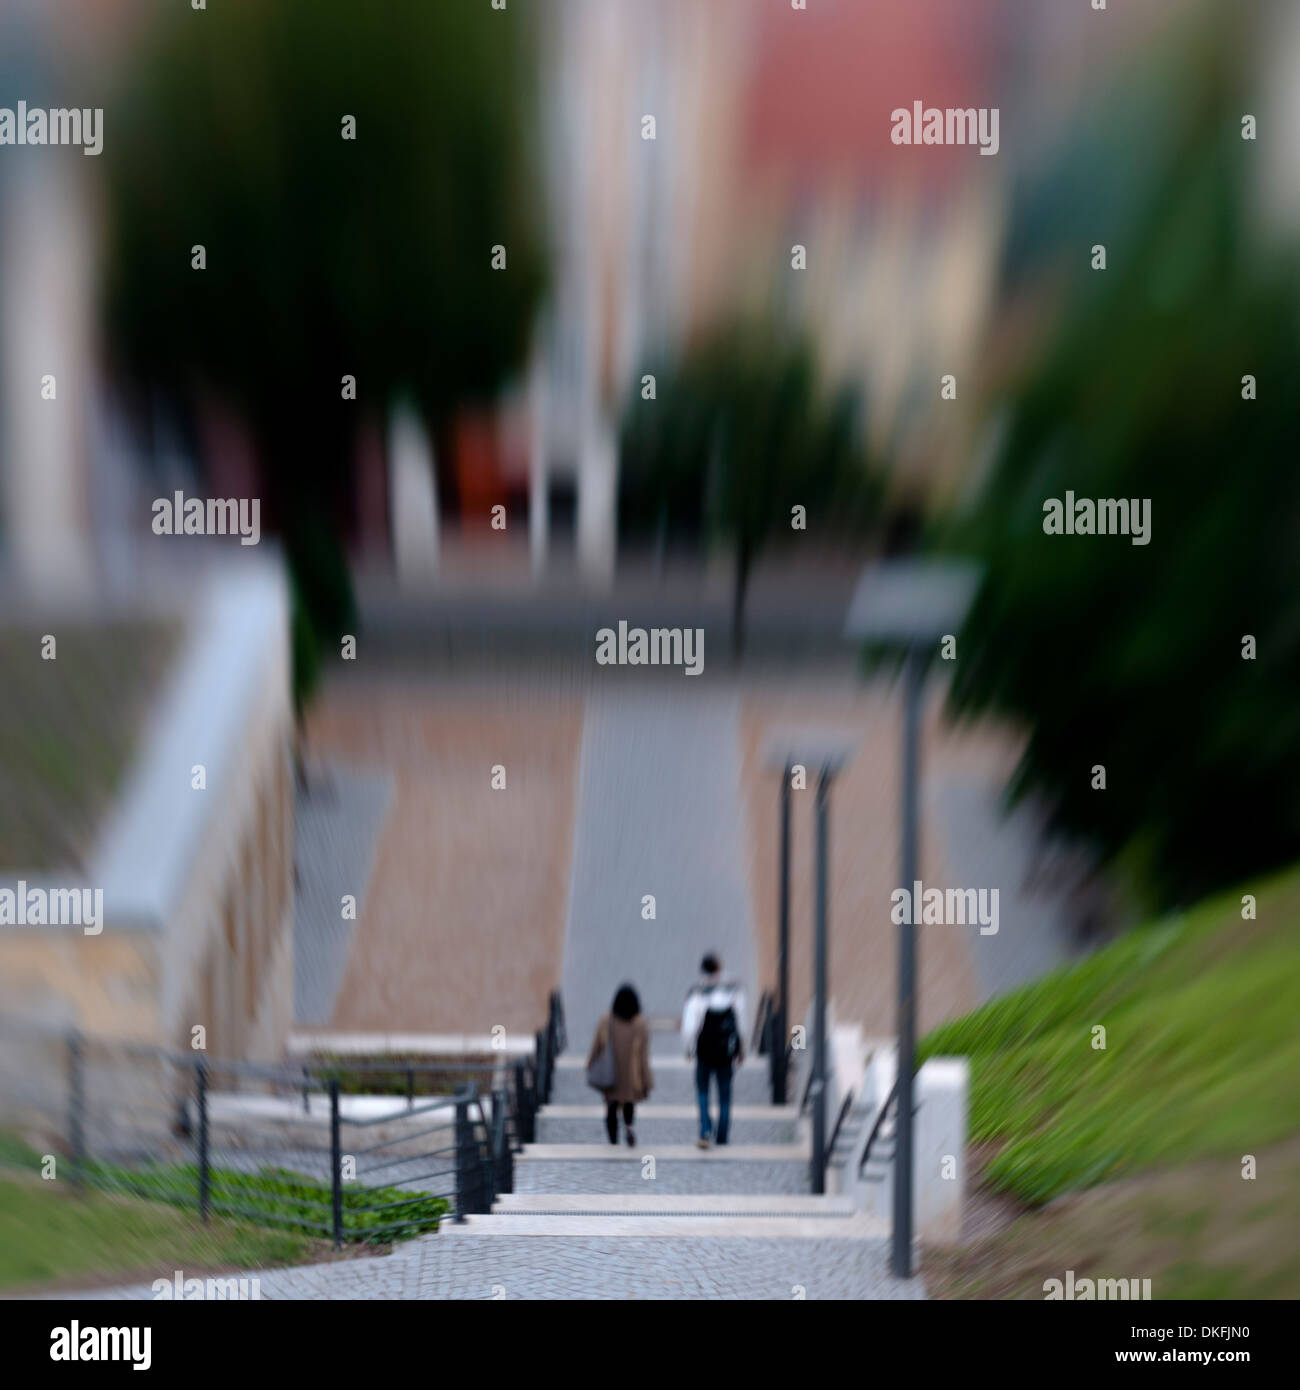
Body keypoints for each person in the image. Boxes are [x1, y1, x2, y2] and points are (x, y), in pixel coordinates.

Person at [682, 954, 745, 1148]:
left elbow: (690, 1027)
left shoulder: (697, 994)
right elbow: (742, 1022)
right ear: (719, 969)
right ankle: (723, 1135)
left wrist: (688, 1047)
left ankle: (705, 1130)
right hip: (725, 1050)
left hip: (704, 1050)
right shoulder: (733, 992)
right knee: (725, 1094)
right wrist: (741, 1048)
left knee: (703, 1092)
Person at [586, 984, 653, 1145]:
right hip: (631, 1076)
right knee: (629, 1103)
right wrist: (647, 1081)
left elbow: (596, 1046)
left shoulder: (606, 1020)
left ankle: (613, 1140)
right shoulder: (640, 1025)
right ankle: (629, 1127)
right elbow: (643, 1056)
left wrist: (589, 1063)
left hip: (611, 1072)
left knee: (611, 1107)